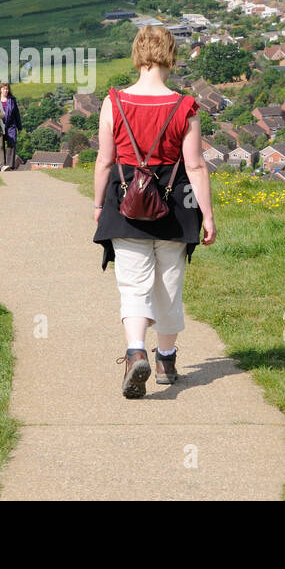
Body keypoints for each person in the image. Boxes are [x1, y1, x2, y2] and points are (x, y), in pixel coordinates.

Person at [92, 24, 216, 399]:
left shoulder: (114, 101)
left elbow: (104, 159)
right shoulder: (185, 106)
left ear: (137, 54)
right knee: (168, 285)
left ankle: (134, 353)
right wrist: (208, 215)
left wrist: (98, 205)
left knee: (133, 284)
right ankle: (165, 359)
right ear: (171, 55)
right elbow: (194, 166)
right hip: (174, 205)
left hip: (126, 203)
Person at [0, 81, 23, 169]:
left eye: (7, 89)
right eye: (4, 89)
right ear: (0, 89)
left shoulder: (12, 100)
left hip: (11, 125)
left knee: (11, 144)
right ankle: (1, 165)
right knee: (0, 145)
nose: (6, 90)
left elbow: (17, 114)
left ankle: (10, 166)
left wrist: (19, 127)